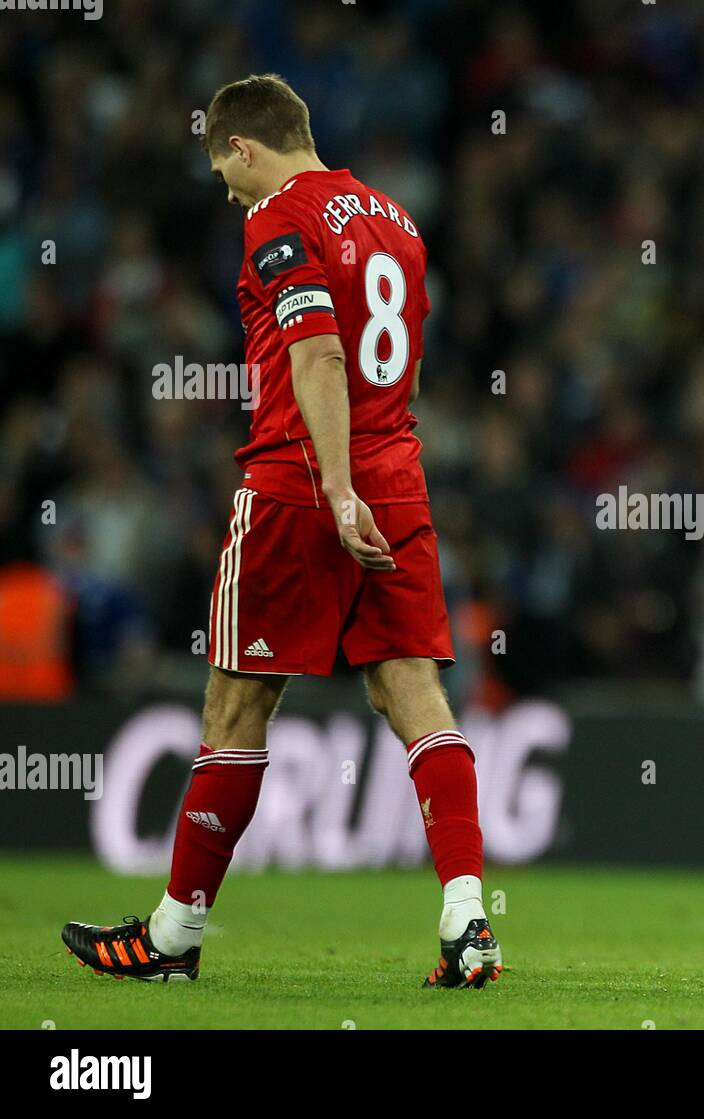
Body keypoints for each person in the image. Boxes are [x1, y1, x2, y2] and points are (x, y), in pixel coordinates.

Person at [62, 74, 502, 989]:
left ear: (246, 148)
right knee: (413, 689)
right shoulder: (400, 221)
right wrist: (374, 475)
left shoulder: (277, 217)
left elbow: (316, 352)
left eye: (224, 170)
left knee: (236, 707)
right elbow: (404, 372)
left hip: (302, 484)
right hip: (399, 472)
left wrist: (337, 489)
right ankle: (468, 920)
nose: (227, 191)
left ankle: (175, 936)